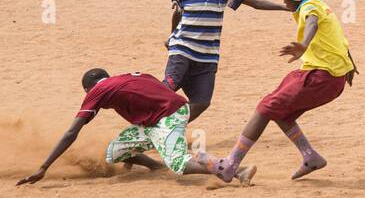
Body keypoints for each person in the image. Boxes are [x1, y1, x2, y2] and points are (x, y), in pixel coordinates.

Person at [216, 0, 357, 182]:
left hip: (321, 77)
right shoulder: (314, 2)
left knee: (264, 109)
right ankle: (311, 157)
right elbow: (336, 36)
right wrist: (349, 64)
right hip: (328, 76)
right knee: (281, 112)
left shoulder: (310, 8)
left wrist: (303, 44)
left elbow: (312, 23)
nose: (283, 2)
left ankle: (231, 165)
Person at [16, 69, 253, 187]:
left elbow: (71, 132)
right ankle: (155, 166)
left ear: (89, 89)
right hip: (165, 115)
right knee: (115, 152)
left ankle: (230, 168)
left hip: (167, 117)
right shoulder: (128, 77)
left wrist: (43, 167)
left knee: (179, 164)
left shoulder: (97, 92)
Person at [165, 0, 289, 122]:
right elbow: (177, 14)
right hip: (182, 50)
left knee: (202, 102)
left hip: (208, 57)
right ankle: (149, 123)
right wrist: (171, 37)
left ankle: (169, 127)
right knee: (166, 90)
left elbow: (255, 3)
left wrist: (285, 7)